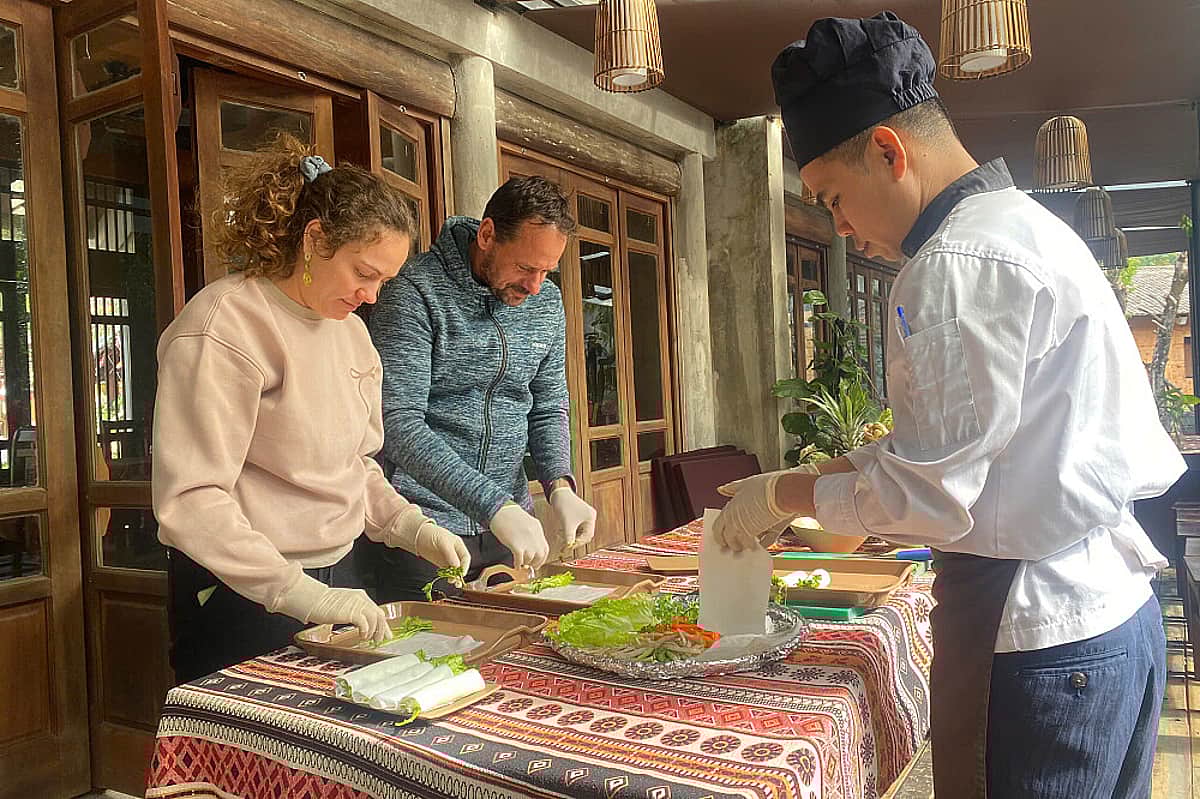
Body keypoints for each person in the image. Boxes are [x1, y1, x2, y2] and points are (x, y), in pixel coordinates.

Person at [713, 13, 1182, 799]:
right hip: (1114, 618)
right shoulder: (1025, 225)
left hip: (1041, 640)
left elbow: (928, 497)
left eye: (833, 198)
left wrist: (781, 494)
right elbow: (956, 446)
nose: (845, 230)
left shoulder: (951, 265)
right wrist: (817, 471)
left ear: (889, 152)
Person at [153, 136, 469, 683]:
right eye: (363, 273)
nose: (372, 296)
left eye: (384, 282)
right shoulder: (226, 325)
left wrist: (410, 525)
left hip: (339, 575)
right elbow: (193, 499)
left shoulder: (352, 337)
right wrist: (299, 593)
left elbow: (356, 466)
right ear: (315, 240)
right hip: (241, 592)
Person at [363, 176, 597, 601]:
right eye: (526, 268)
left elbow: (548, 406)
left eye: (548, 270)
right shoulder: (414, 292)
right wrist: (493, 505)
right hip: (424, 528)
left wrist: (560, 485)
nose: (535, 286)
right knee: (439, 661)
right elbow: (397, 422)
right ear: (487, 235)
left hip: (510, 527)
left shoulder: (544, 303)